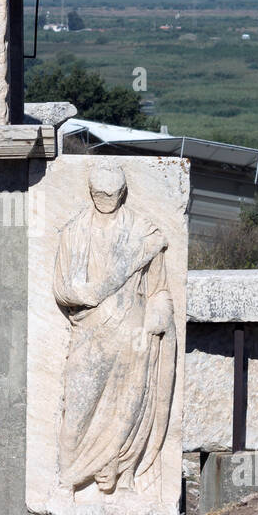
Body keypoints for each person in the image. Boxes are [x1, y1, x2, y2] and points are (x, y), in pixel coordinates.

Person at [52, 164, 176, 496]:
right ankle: (67, 481)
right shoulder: (74, 231)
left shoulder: (143, 234)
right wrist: (87, 294)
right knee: (77, 411)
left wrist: (159, 314)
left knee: (129, 408)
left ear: (122, 192)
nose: (105, 199)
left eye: (111, 193)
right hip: (90, 335)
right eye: (98, 193)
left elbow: (159, 290)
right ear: (90, 192)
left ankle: (122, 477)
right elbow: (62, 288)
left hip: (133, 337)